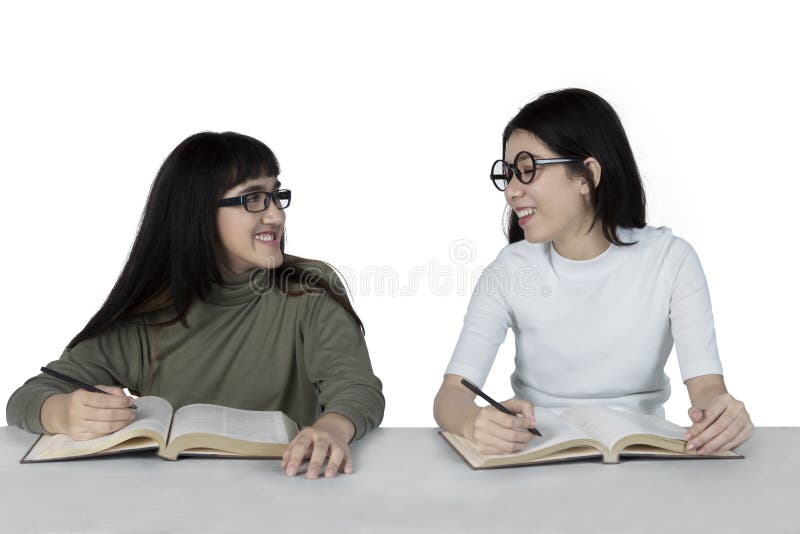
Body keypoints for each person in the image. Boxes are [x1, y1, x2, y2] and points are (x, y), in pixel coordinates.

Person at [6, 131, 384, 479]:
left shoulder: (309, 288)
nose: (276, 214)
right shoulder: (150, 314)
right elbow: (27, 397)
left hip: (290, 490)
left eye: (275, 195)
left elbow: (356, 388)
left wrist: (331, 428)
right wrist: (62, 412)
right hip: (170, 506)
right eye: (253, 198)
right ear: (199, 213)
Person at [433, 88, 752, 456]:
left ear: (586, 175)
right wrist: (473, 422)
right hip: (539, 454)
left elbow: (707, 389)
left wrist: (721, 415)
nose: (511, 192)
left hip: (644, 456)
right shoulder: (508, 270)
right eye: (509, 175)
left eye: (526, 171)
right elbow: (452, 394)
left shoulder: (672, 260)